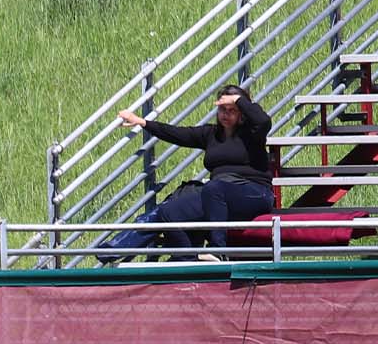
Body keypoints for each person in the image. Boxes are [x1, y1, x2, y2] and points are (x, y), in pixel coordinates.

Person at [98, 84, 274, 262]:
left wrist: (238, 99)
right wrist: (142, 122)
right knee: (169, 211)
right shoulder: (211, 134)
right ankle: (187, 259)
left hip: (254, 192)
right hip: (217, 196)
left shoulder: (252, 133)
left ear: (242, 112)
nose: (226, 114)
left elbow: (263, 120)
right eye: (222, 109)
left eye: (232, 110)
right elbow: (176, 134)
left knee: (214, 188)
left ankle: (218, 250)